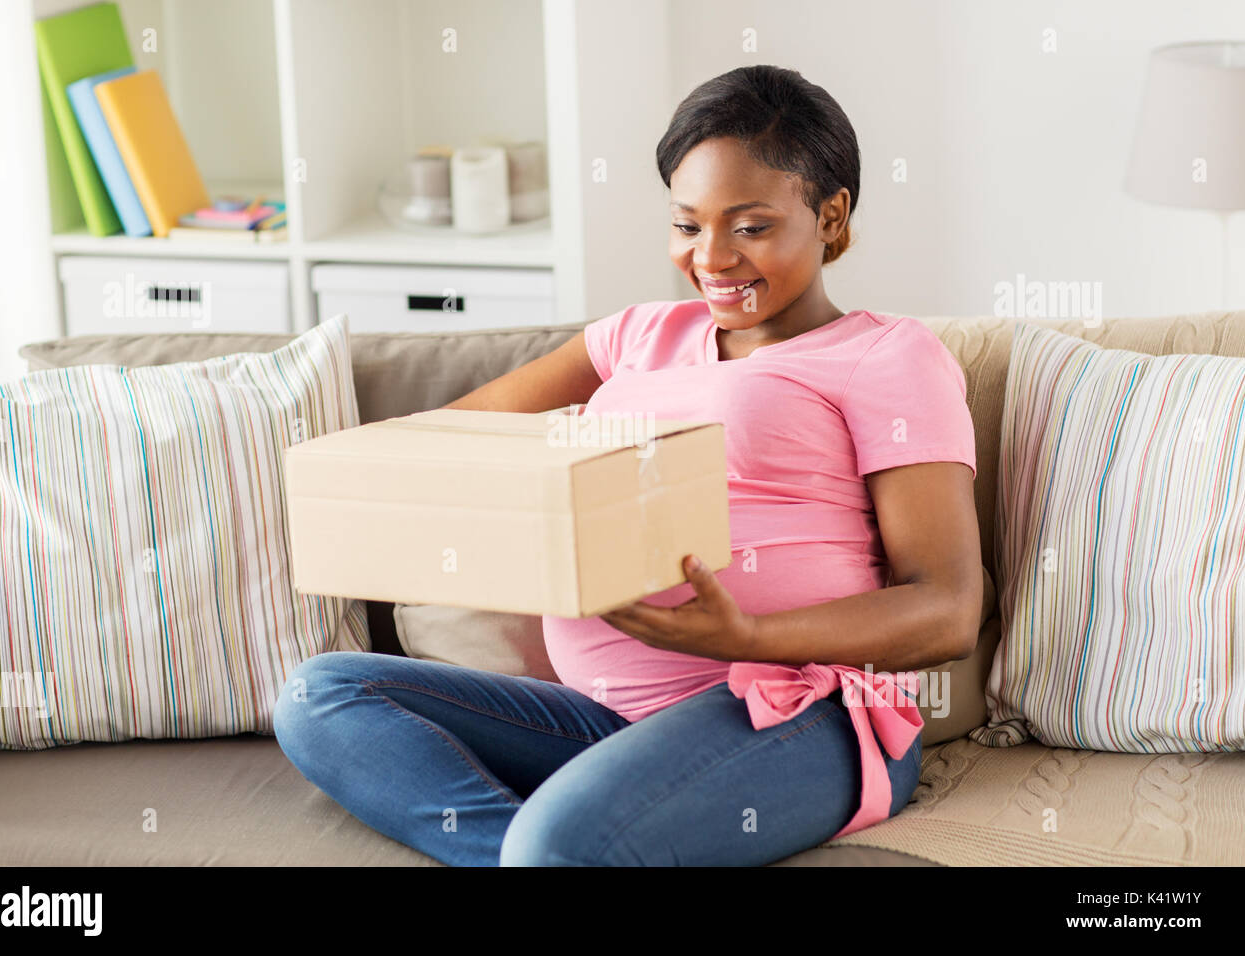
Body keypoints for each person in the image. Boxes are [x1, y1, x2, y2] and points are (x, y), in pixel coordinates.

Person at [273, 64, 983, 867]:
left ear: (831, 215)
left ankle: (553, 854)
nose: (712, 258)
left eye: (749, 227)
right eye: (687, 226)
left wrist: (744, 634)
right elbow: (453, 437)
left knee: (558, 844)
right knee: (319, 695)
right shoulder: (637, 337)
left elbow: (948, 608)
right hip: (605, 726)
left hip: (796, 709)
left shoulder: (891, 357)